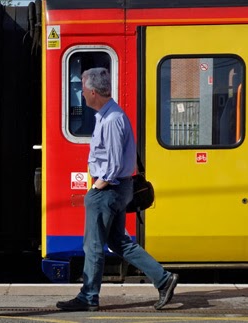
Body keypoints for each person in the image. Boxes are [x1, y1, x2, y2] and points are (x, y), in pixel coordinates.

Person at [56, 67, 179, 312]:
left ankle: (88, 296)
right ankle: (164, 279)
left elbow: (111, 164)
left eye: (83, 89)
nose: (81, 93)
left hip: (108, 189)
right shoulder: (107, 115)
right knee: (119, 242)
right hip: (117, 188)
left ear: (93, 92)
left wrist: (96, 188)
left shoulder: (111, 119)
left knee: (92, 245)